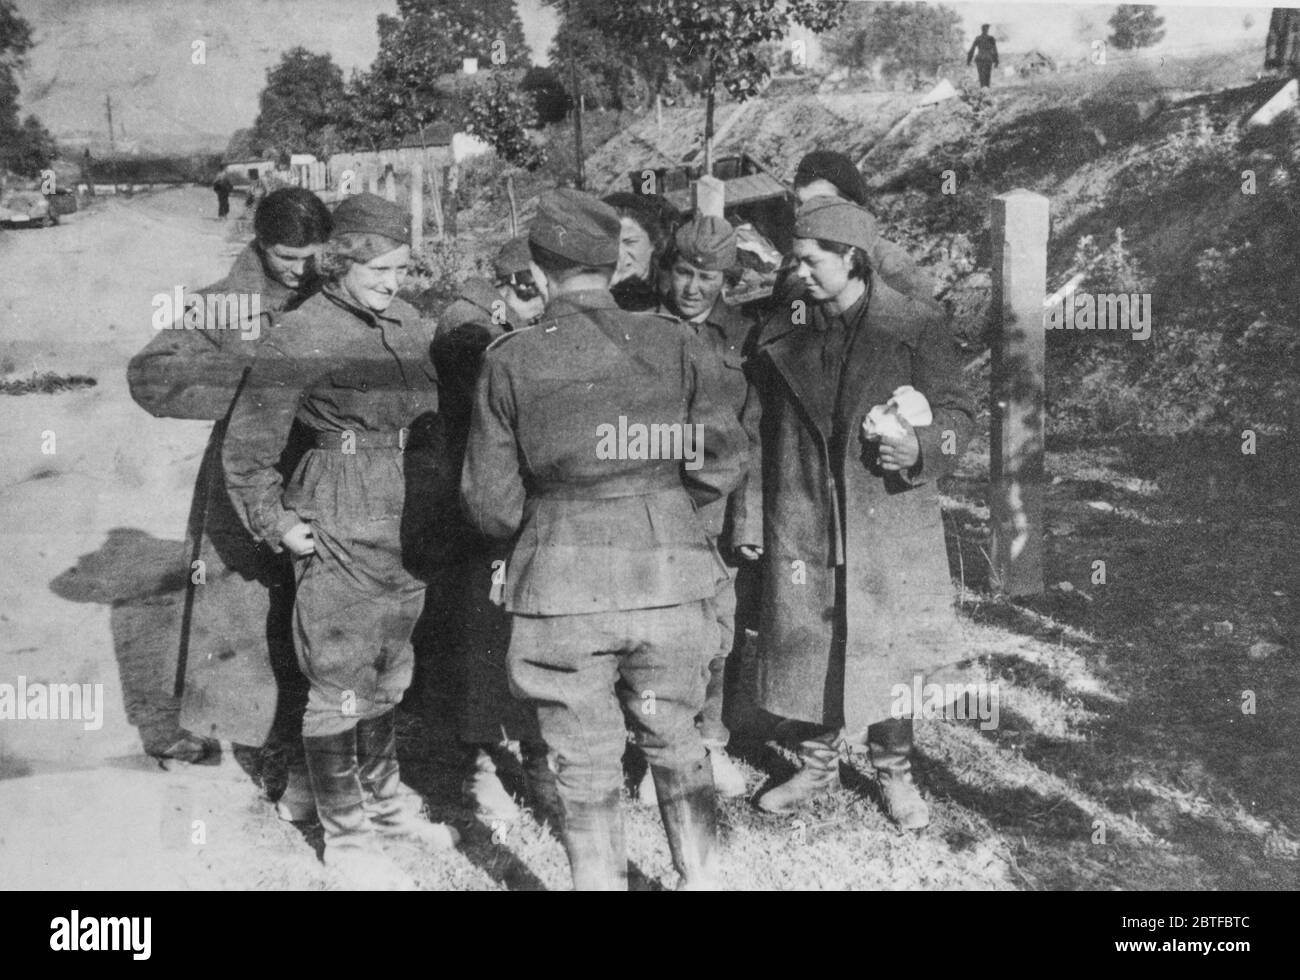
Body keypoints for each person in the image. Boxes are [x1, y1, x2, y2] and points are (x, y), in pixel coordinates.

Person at [460, 189, 748, 890]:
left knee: (582, 758)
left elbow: (490, 503)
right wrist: (664, 509)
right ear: (614, 260)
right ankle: (704, 877)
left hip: (561, 584)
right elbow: (722, 462)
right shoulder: (675, 342)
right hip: (670, 573)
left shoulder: (510, 360)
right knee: (675, 734)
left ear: (540, 268)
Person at [223, 193, 458, 889]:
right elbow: (247, 451)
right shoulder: (299, 335)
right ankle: (348, 843)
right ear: (340, 264)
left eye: (401, 268)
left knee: (388, 672)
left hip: (407, 517)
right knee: (337, 681)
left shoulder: (414, 324)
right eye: (378, 270)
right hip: (339, 512)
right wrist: (279, 524)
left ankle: (384, 807)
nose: (392, 283)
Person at [745, 198, 974, 831]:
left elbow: (960, 417)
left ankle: (894, 771)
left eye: (813, 261)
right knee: (809, 637)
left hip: (887, 515)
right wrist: (750, 521)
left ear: (854, 259)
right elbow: (754, 431)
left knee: (890, 644)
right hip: (804, 512)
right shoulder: (780, 326)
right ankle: (815, 765)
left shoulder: (917, 325)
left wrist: (922, 447)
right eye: (794, 259)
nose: (800, 272)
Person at [127, 187, 332, 812]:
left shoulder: (330, 293)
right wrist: (253, 396)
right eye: (287, 257)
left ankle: (312, 745)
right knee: (250, 614)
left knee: (319, 609)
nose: (302, 270)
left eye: (313, 255)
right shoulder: (226, 304)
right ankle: (270, 746)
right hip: (246, 482)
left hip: (322, 473)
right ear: (261, 245)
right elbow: (151, 375)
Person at [427, 237, 557, 826]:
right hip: (477, 509)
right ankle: (480, 764)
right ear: (513, 287)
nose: (540, 311)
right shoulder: (468, 330)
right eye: (533, 297)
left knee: (526, 633)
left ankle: (536, 757)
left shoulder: (499, 324)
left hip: (515, 503)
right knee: (481, 638)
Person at [633, 213, 761, 807]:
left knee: (716, 632)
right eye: (683, 273)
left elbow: (754, 437)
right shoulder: (632, 328)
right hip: (647, 510)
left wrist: (750, 521)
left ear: (727, 281)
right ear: (666, 271)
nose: (692, 289)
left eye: (707, 278)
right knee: (652, 636)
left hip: (712, 516)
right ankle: (649, 752)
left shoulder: (744, 338)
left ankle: (709, 744)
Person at [784, 150, 938, 306]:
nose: (806, 215)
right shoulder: (796, 259)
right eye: (800, 204)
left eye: (822, 206)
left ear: (852, 207)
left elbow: (924, 324)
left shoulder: (889, 264)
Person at [602, 192, 681, 312]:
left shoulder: (675, 300)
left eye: (630, 242)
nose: (620, 255)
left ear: (654, 242)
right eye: (609, 243)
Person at [967, 24, 1000, 89]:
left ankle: (983, 90)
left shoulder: (978, 38)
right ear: (987, 30)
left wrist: (969, 60)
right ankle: (986, 91)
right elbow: (995, 51)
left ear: (982, 30)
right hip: (988, 59)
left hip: (980, 59)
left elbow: (972, 50)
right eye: (987, 29)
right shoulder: (991, 38)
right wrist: (996, 61)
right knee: (987, 76)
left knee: (981, 76)